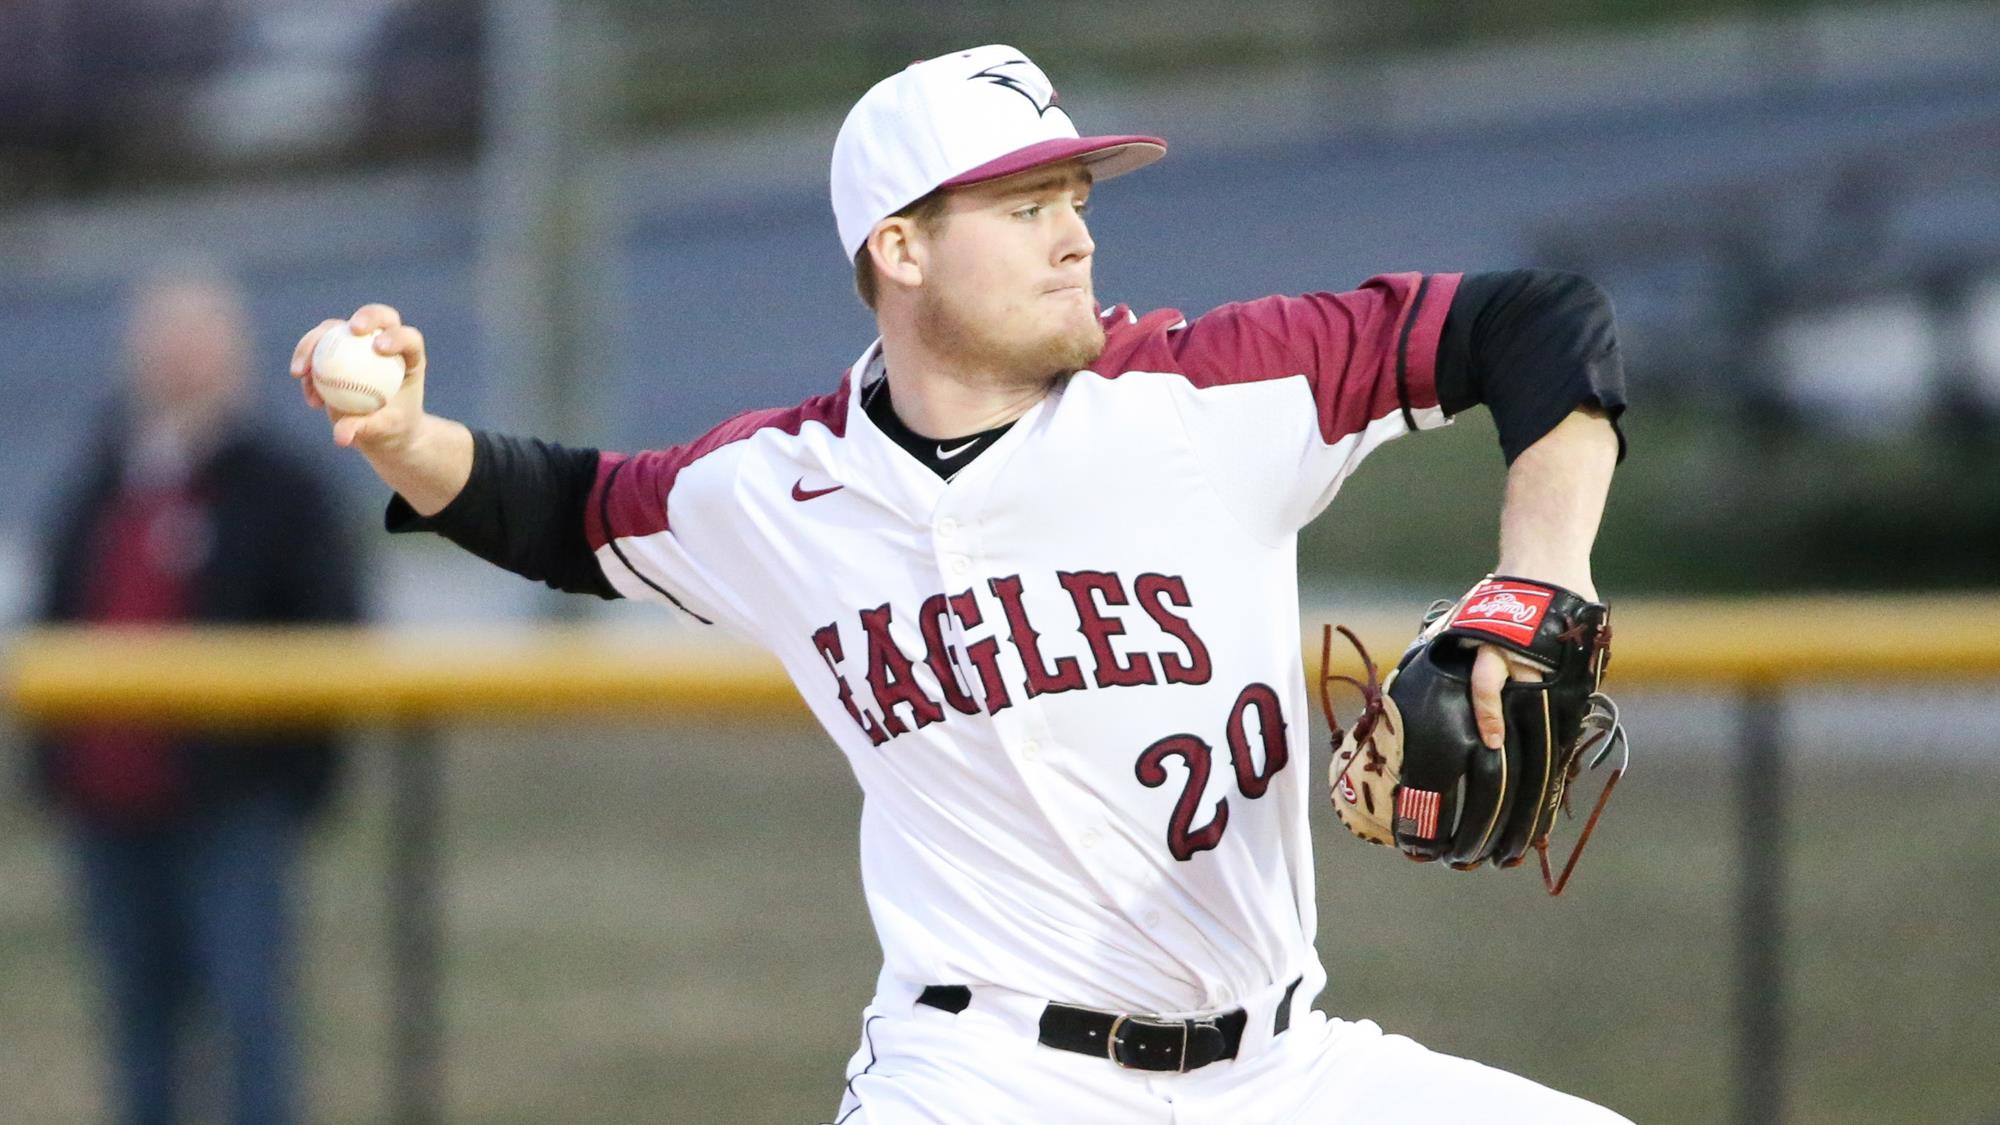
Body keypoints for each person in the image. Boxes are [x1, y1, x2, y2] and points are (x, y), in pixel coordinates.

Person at [291, 45, 1628, 1123]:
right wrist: (408, 442)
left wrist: (1539, 581)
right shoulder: (777, 488)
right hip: (984, 1078)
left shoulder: (1202, 395)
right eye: (1026, 205)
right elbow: (566, 508)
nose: (1076, 240)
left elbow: (1535, 325)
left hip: (1281, 1071)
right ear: (901, 247)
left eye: (1080, 201)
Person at [31, 264, 362, 1125]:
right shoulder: (102, 477)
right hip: (110, 800)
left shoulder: (279, 489)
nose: (176, 359)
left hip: (228, 804)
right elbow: (57, 613)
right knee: (140, 1023)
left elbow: (332, 632)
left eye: (196, 339)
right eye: (161, 339)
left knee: (248, 1012)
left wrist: (293, 781)